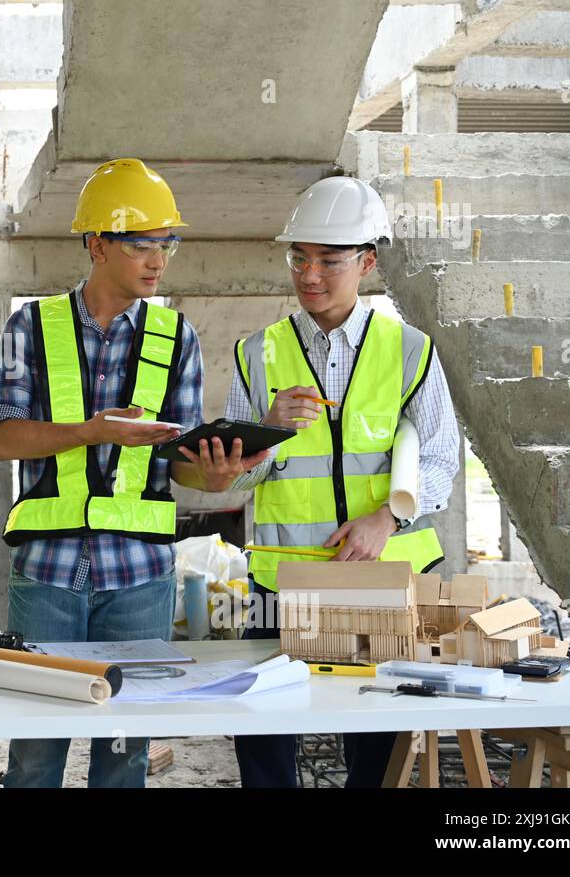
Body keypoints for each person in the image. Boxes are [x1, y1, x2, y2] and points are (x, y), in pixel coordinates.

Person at [0, 158, 263, 788]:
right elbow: (2, 439)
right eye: (142, 243)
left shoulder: (176, 335)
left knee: (123, 753)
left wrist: (215, 479)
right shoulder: (32, 326)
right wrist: (91, 430)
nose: (158, 258)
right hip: (47, 573)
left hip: (140, 578)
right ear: (97, 244)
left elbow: (179, 461)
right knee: (34, 751)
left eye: (167, 243)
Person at [209, 175, 461, 787]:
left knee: (375, 751)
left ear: (366, 262)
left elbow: (440, 461)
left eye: (328, 259)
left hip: (379, 577)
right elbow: (241, 479)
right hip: (280, 575)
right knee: (264, 741)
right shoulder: (257, 354)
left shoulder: (410, 350)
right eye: (299, 257)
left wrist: (387, 518)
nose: (310, 273)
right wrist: (265, 430)